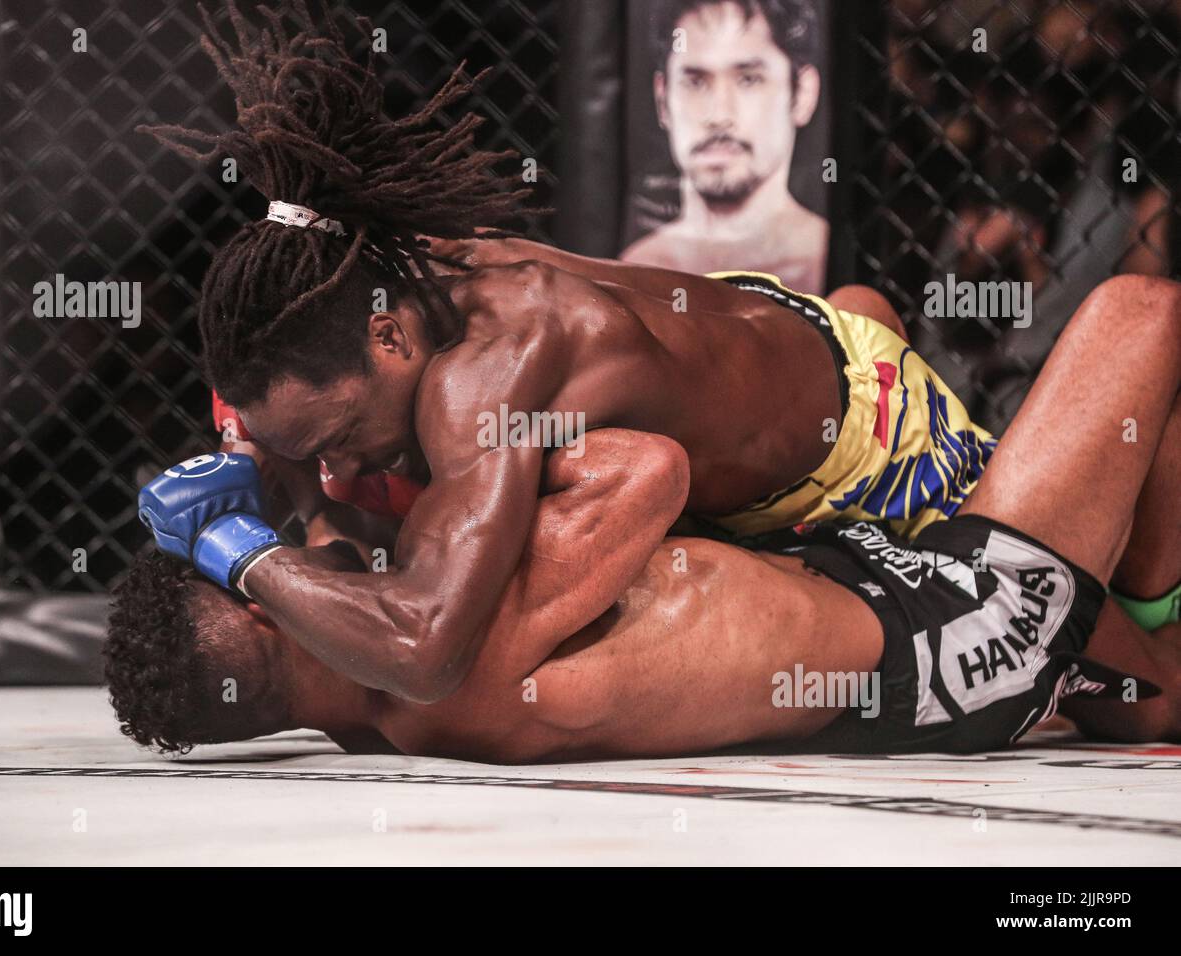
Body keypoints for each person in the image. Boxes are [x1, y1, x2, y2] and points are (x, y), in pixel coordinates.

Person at [136, 1, 992, 703]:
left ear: (388, 338)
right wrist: (257, 459)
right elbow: (316, 424)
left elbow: (425, 650)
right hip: (802, 338)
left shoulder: (482, 378)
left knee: (1113, 684)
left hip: (874, 450)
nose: (339, 466)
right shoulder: (396, 267)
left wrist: (240, 551)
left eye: (337, 435)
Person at [109, 273, 1181, 761]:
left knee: (860, 318)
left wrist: (327, 509)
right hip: (953, 628)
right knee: (1139, 316)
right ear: (264, 612)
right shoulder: (455, 653)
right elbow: (643, 466)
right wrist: (258, 536)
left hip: (858, 578)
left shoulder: (375, 709)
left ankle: (1132, 651)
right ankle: (1143, 621)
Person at [620, 0, 829, 292]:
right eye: (695, 82)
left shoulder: (830, 265)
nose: (718, 116)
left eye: (748, 79)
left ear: (803, 94)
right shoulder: (634, 272)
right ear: (662, 100)